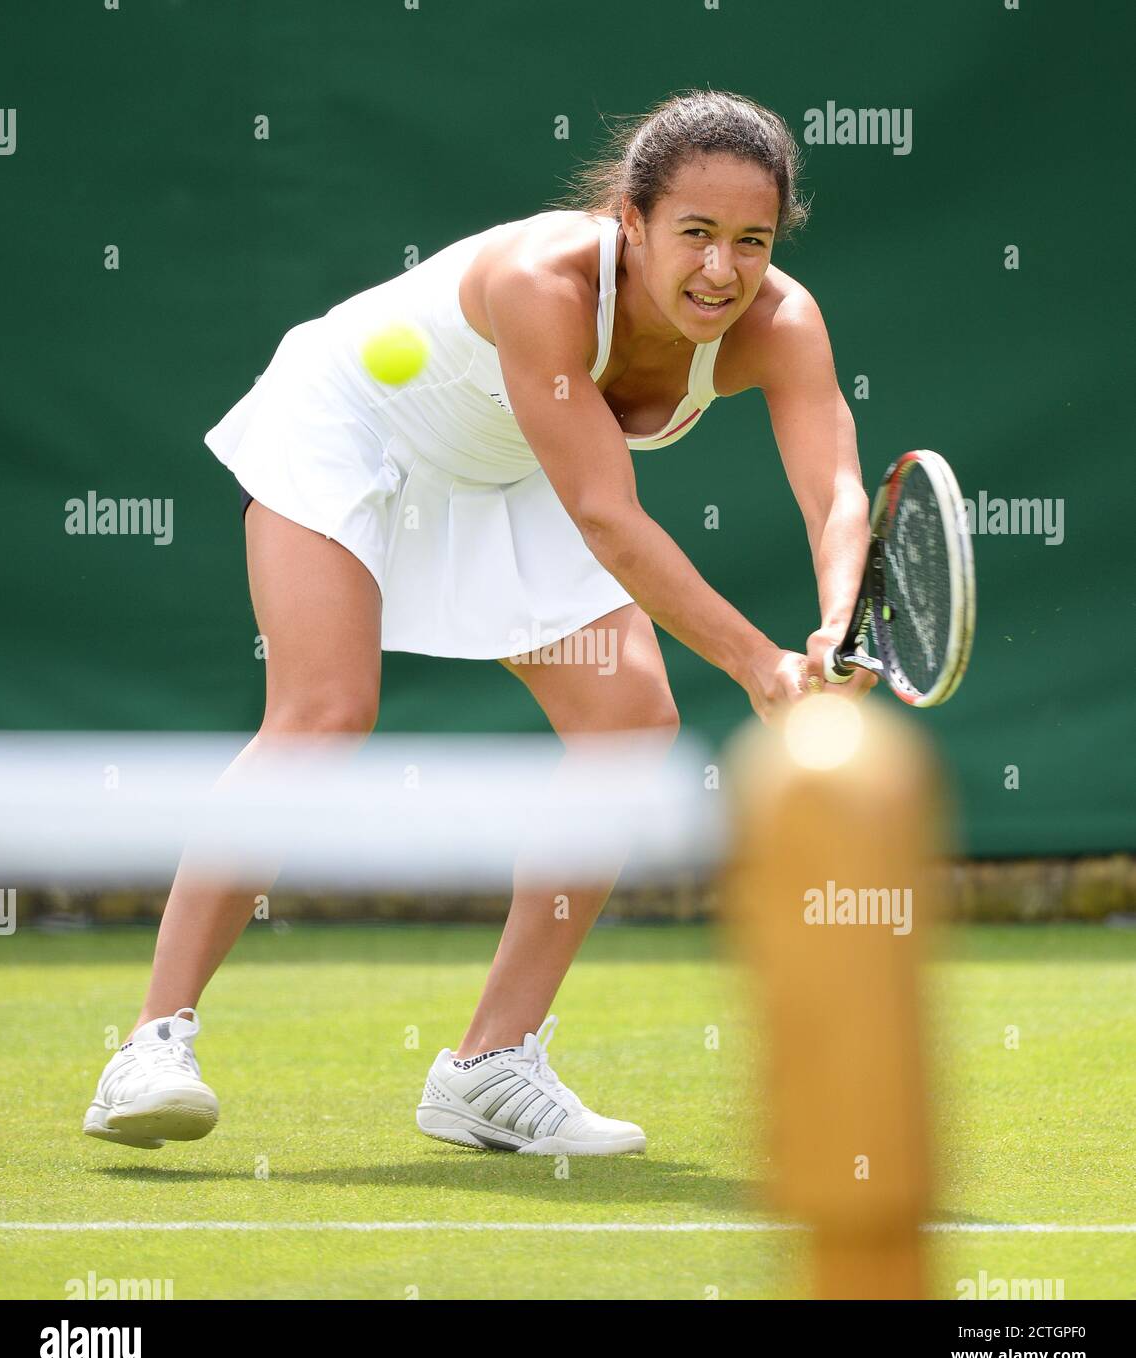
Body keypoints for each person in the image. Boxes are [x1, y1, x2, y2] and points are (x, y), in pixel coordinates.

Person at [83, 89, 875, 1158]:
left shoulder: (783, 322)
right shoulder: (539, 280)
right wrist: (755, 665)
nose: (723, 271)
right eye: (695, 233)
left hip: (505, 467)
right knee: (322, 714)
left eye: (751, 240)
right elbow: (606, 514)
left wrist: (834, 624)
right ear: (629, 221)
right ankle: (151, 1042)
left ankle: (489, 1064)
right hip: (354, 426)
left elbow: (835, 492)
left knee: (630, 723)